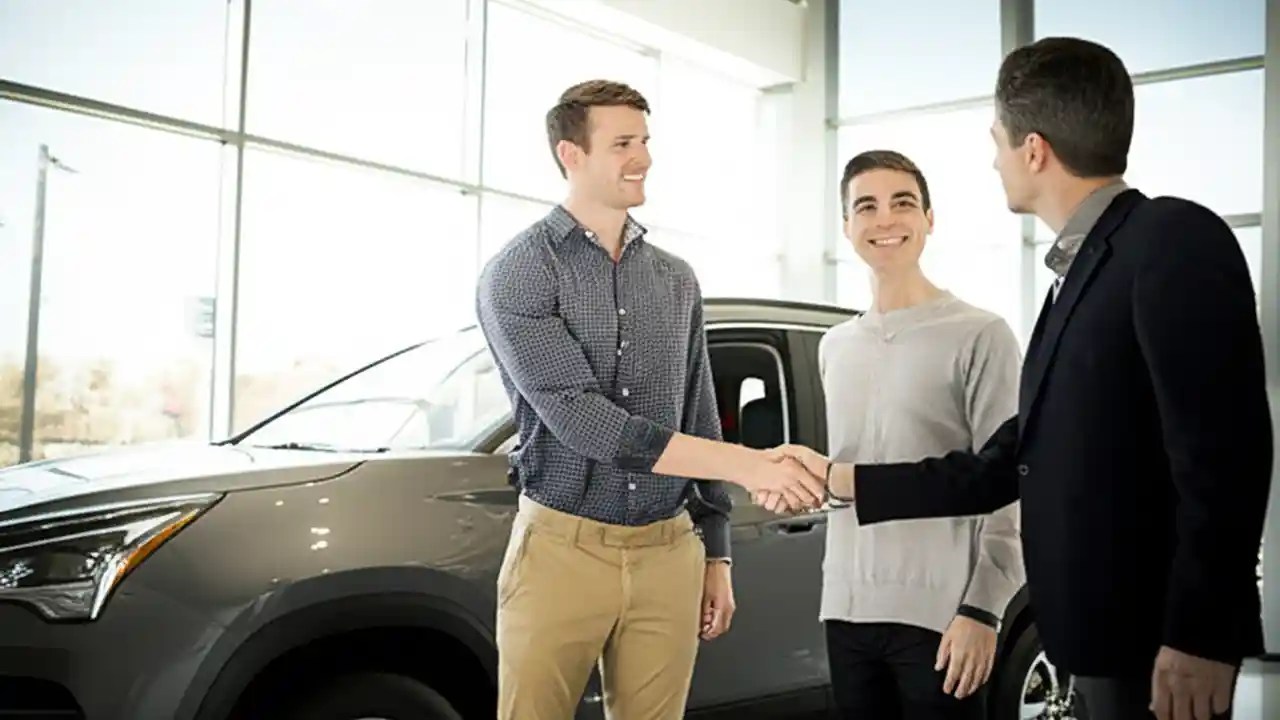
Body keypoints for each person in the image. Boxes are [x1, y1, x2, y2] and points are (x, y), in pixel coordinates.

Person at [767, 37, 1272, 720]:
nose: (995, 159)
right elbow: (1007, 463)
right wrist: (838, 479)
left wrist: (1202, 634)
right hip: (1098, 641)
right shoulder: (1074, 283)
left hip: (1158, 645)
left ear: (1033, 150)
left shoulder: (1170, 240)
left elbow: (1225, 456)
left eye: (998, 142)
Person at [475, 79, 826, 720]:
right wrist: (753, 465)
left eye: (645, 140)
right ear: (570, 155)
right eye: (623, 143)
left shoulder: (675, 278)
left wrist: (715, 550)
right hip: (561, 551)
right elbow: (584, 420)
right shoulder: (521, 270)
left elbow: (698, 414)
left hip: (670, 551)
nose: (643, 157)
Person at [791, 149, 1026, 719]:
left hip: (942, 614)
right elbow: (846, 472)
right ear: (847, 226)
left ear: (929, 219)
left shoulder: (981, 334)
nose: (885, 220)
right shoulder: (835, 346)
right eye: (866, 206)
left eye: (903, 203)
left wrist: (983, 610)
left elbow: (1011, 482)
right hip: (845, 610)